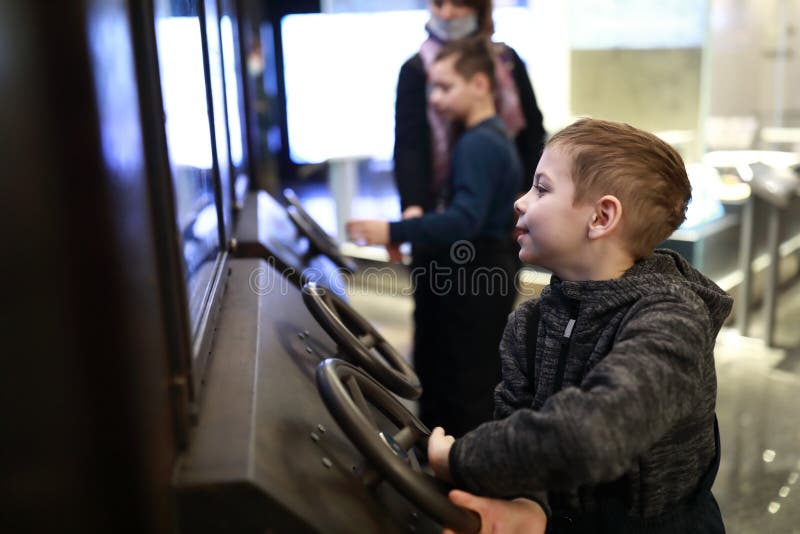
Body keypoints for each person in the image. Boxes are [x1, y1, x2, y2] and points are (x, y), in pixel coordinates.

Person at [427, 118, 733, 533]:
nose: (520, 202)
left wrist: (463, 459)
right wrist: (527, 503)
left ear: (602, 216)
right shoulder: (529, 323)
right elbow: (516, 424)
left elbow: (598, 431)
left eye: (542, 188)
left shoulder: (673, 317)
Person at [347, 36, 521, 437]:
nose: (435, 98)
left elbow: (464, 220)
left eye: (445, 87)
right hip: (482, 271)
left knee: (465, 388)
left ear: (480, 84)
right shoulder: (487, 137)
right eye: (433, 88)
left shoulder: (479, 143)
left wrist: (392, 230)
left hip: (477, 275)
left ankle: (458, 471)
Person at [394, 0, 546, 222]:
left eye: (458, 4)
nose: (446, 14)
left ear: (480, 84)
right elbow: (409, 145)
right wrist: (412, 207)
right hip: (440, 205)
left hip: (504, 206)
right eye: (438, 3)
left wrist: (529, 194)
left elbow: (532, 131)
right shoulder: (415, 69)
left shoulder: (507, 62)